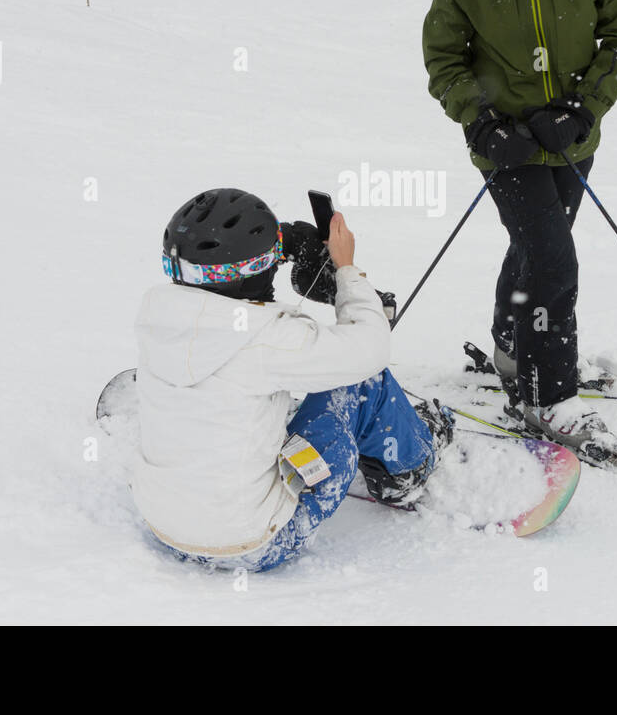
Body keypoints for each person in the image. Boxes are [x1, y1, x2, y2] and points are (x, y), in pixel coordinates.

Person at [422, 0, 617, 464]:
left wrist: (581, 108)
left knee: (534, 246)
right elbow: (444, 59)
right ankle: (549, 398)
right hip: (507, 148)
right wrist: (484, 122)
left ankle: (513, 350)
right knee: (553, 261)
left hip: (571, 140)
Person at [132, 188, 453, 572]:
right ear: (260, 270)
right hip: (251, 544)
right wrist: (345, 268)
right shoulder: (270, 338)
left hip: (163, 525)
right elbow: (370, 348)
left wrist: (276, 241)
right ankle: (408, 470)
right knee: (361, 381)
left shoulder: (155, 317)